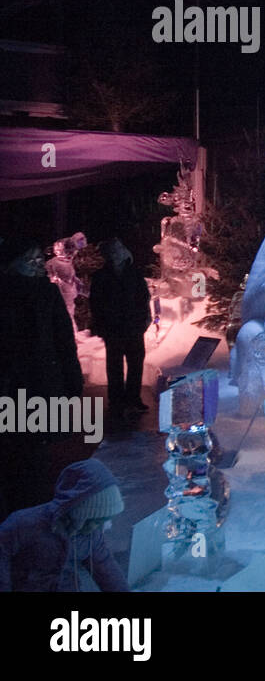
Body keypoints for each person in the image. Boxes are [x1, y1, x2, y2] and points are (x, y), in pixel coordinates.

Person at [0, 237, 84, 517]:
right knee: (17, 451)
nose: (37, 265)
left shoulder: (46, 294)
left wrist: (72, 382)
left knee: (38, 451)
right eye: (30, 260)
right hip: (13, 386)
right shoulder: (7, 295)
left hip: (42, 383)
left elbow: (64, 341)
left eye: (39, 259)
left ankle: (35, 510)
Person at [0, 459, 130, 591]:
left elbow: (105, 568)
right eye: (97, 521)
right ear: (81, 514)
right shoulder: (25, 524)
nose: (101, 527)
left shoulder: (89, 536)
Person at [90, 238, 151, 419]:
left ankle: (133, 398)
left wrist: (143, 321)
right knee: (114, 364)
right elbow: (96, 302)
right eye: (112, 252)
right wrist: (101, 324)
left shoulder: (134, 274)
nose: (115, 255)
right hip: (113, 328)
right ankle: (116, 400)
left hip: (133, 326)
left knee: (135, 363)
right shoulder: (101, 276)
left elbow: (143, 298)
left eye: (118, 251)